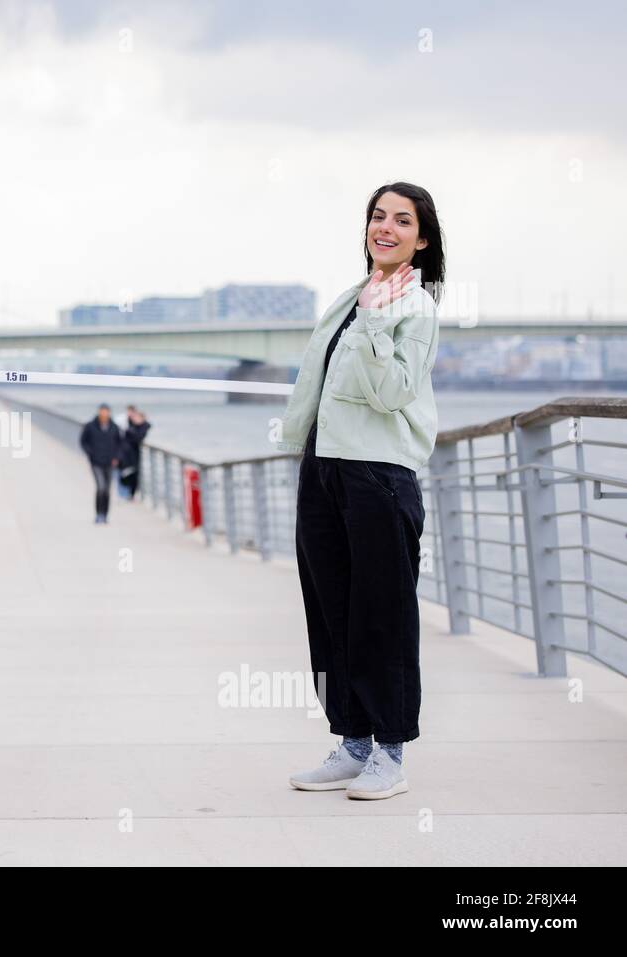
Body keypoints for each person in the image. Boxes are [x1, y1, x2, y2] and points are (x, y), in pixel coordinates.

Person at [275, 182, 444, 801]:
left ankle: (390, 755)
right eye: (379, 216)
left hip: (379, 473)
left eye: (403, 221)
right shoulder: (353, 297)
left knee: (384, 616)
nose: (387, 228)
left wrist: (376, 321)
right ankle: (350, 743)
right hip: (325, 466)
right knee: (328, 610)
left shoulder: (413, 308)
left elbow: (392, 392)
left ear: (421, 240)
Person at [79, 404, 122, 523]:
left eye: (106, 412)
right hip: (96, 462)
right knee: (101, 488)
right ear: (99, 412)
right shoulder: (90, 426)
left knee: (107, 490)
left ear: (109, 413)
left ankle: (105, 515)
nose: (104, 414)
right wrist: (90, 454)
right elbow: (83, 441)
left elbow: (120, 444)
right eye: (102, 412)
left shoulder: (114, 427)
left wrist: (116, 458)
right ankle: (98, 514)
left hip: (110, 463)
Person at [118, 406, 150, 500]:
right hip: (126, 454)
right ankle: (126, 494)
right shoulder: (129, 424)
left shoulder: (141, 426)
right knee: (125, 474)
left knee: (132, 475)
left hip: (132, 455)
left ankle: (130, 494)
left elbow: (138, 437)